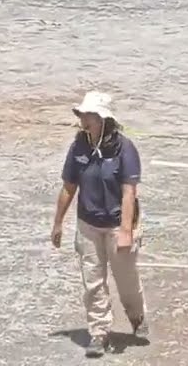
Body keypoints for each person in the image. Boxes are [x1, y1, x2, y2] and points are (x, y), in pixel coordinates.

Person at [50, 91, 148, 358]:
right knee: (92, 281)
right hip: (88, 224)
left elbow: (129, 192)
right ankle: (99, 332)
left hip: (118, 224)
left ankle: (137, 317)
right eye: (82, 114)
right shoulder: (79, 146)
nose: (82, 119)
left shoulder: (124, 148)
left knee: (125, 279)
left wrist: (126, 231)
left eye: (87, 115)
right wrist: (58, 222)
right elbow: (69, 186)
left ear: (102, 118)